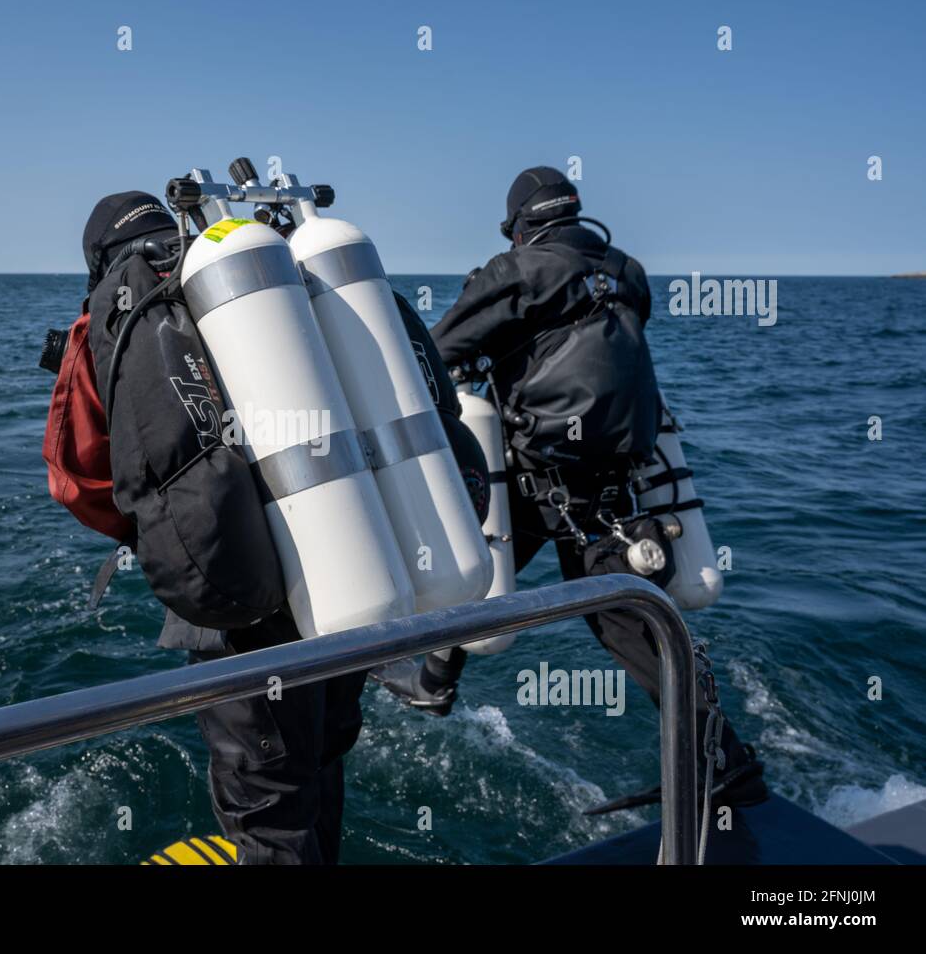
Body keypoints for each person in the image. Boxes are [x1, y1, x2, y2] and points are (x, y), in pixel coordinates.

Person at [378, 167, 767, 812]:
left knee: (580, 603)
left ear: (520, 228)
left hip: (549, 471)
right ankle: (436, 680)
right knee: (569, 594)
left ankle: (719, 757)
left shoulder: (516, 270)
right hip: (615, 470)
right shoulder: (627, 270)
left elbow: (441, 350)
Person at [77, 192, 369, 864]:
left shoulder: (128, 306)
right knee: (320, 760)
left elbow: (84, 474)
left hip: (244, 593)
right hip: (344, 556)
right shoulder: (265, 276)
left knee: (267, 804)